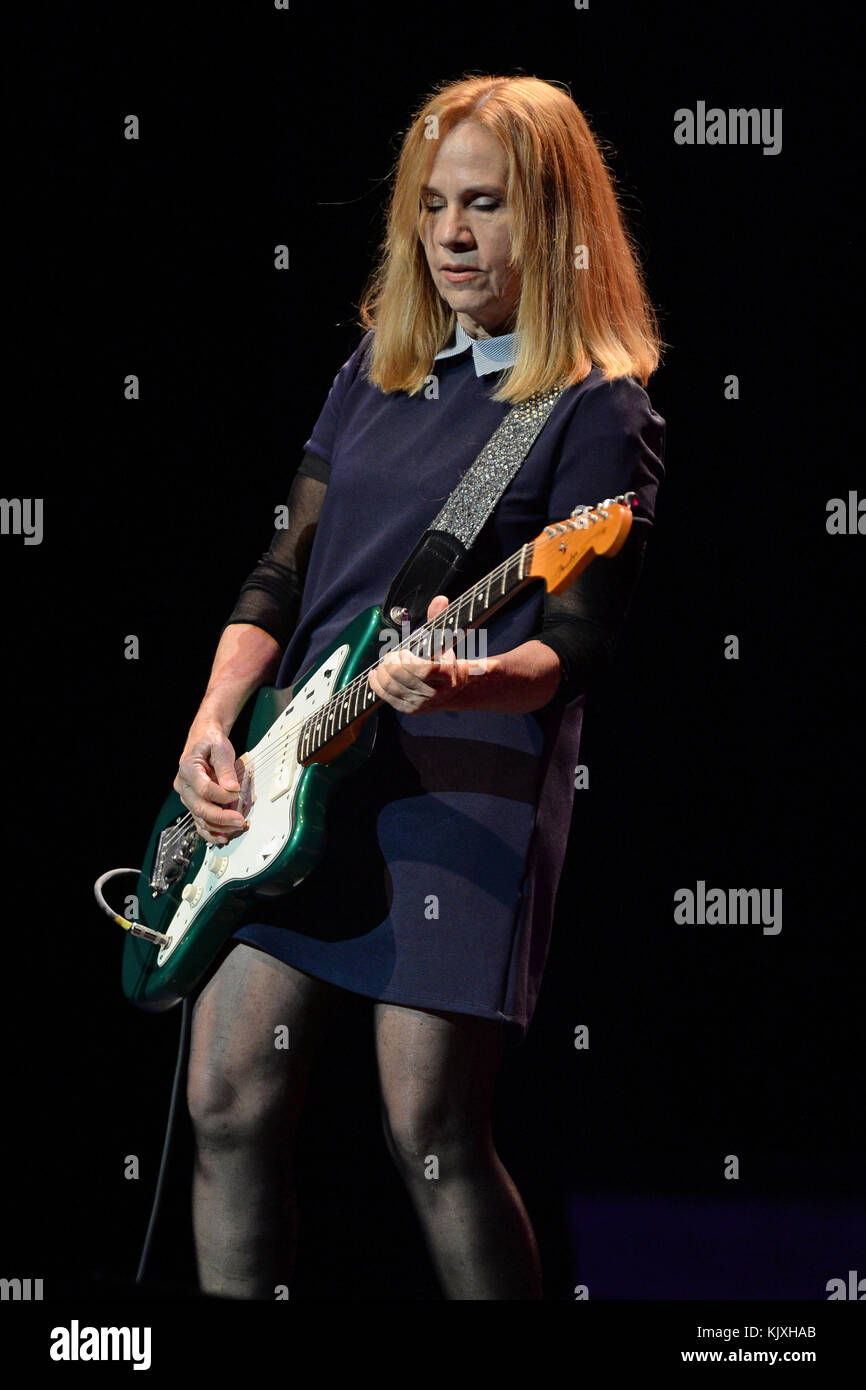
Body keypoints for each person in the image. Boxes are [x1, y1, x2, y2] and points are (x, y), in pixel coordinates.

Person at [174, 74, 665, 1300]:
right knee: (225, 1100)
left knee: (431, 1137)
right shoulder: (373, 371)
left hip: (461, 789)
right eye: (433, 205)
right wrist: (211, 720)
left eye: (485, 205)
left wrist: (461, 683)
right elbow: (281, 571)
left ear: (552, 223)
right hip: (295, 763)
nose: (449, 234)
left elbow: (576, 645)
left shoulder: (594, 406)